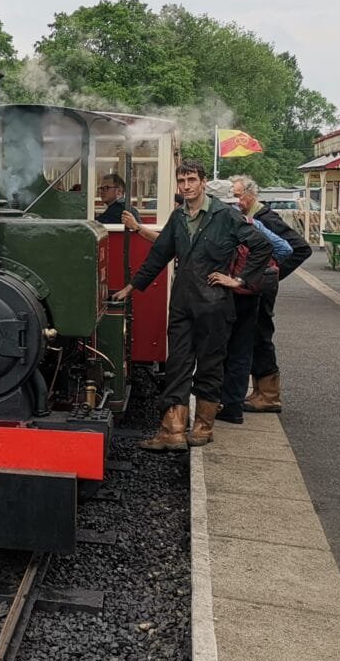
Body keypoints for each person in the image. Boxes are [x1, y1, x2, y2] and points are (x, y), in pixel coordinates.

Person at [112, 160, 272, 450]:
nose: (186, 186)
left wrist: (238, 280)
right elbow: (159, 255)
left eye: (191, 180)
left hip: (214, 304)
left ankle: (203, 427)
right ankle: (172, 430)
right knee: (177, 364)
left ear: (203, 182)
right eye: (182, 180)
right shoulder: (178, 217)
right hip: (183, 302)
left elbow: (262, 246)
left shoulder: (225, 215)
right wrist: (132, 287)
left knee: (210, 365)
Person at [229, 175, 312, 413]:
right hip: (253, 283)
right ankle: (259, 390)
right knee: (254, 334)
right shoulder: (252, 216)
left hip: (261, 284)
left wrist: (273, 273)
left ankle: (269, 394)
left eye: (237, 196)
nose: (235, 202)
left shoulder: (267, 218)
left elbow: (300, 248)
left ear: (250, 195)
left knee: (261, 333)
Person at [219, 213, 294, 424]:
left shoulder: (217, 222)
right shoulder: (253, 222)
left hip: (227, 291)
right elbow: (283, 249)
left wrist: (239, 277)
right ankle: (240, 404)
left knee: (225, 348)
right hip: (252, 292)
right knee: (244, 348)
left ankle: (228, 401)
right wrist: (258, 273)